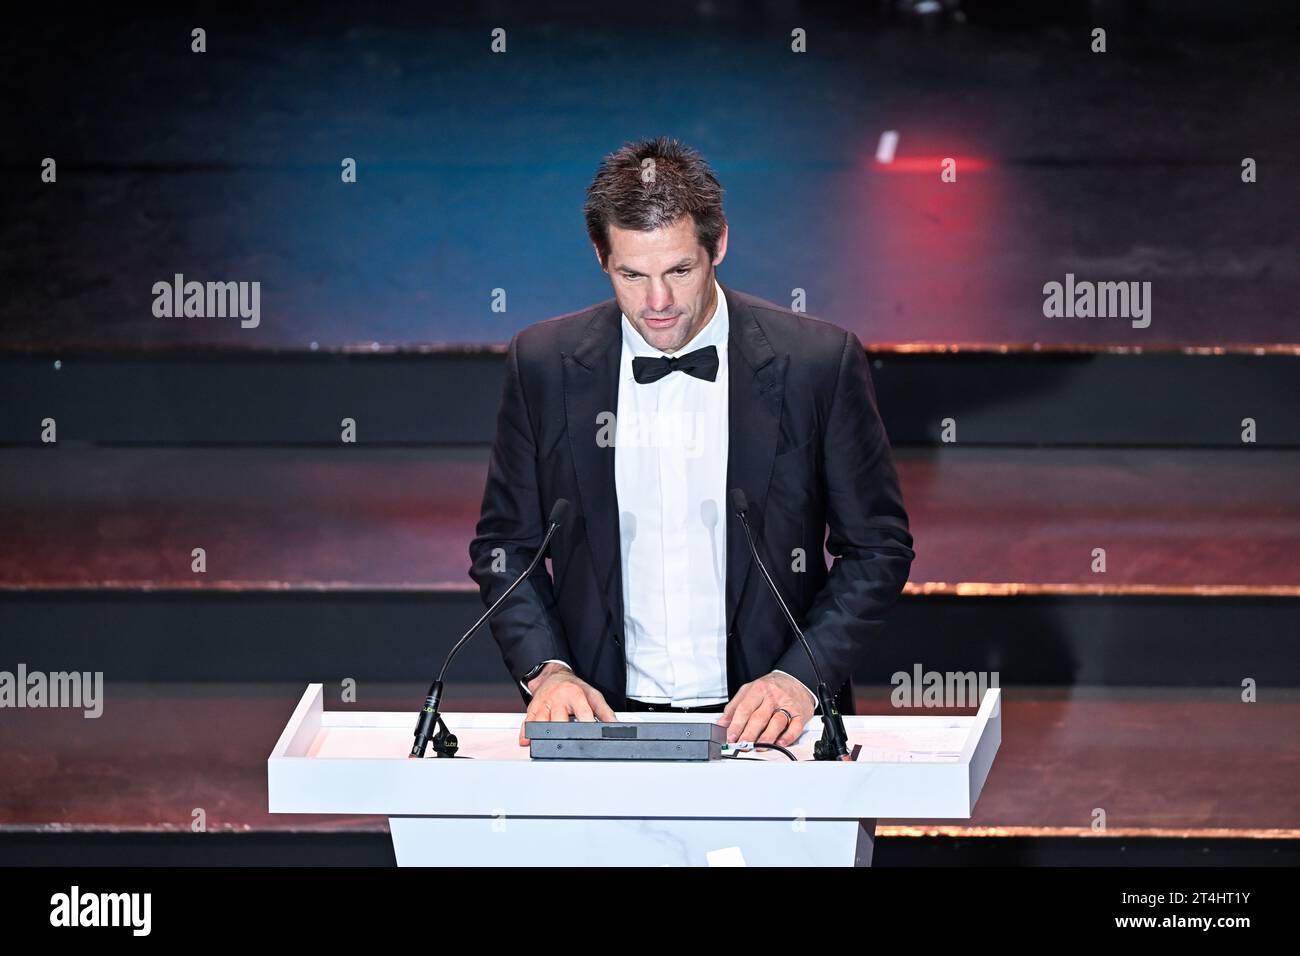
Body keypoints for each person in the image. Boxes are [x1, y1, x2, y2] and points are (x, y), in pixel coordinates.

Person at [468, 136, 914, 749]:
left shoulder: (817, 362)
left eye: (679, 270)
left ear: (719, 244)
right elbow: (506, 546)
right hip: (601, 727)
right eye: (632, 274)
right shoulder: (543, 364)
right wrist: (548, 672)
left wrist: (799, 678)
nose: (658, 303)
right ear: (601, 257)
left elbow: (877, 548)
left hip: (777, 727)